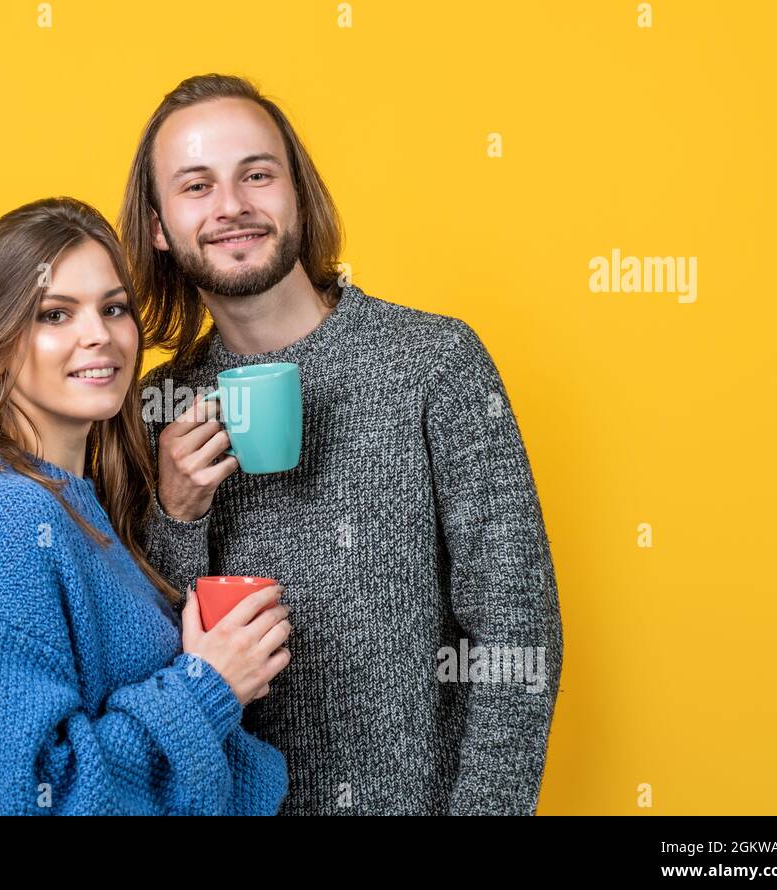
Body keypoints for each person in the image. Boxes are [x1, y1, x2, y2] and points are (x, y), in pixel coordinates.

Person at [121, 74, 564, 815]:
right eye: (196, 186)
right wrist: (177, 513)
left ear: (298, 193)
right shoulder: (149, 413)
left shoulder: (434, 362)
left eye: (256, 174)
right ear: (160, 225)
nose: (231, 206)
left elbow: (517, 624)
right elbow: (143, 674)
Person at [0, 196, 290, 815]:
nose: (98, 334)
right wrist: (205, 687)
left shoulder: (72, 499)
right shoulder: (1, 514)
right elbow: (13, 801)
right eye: (55, 314)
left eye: (113, 307)